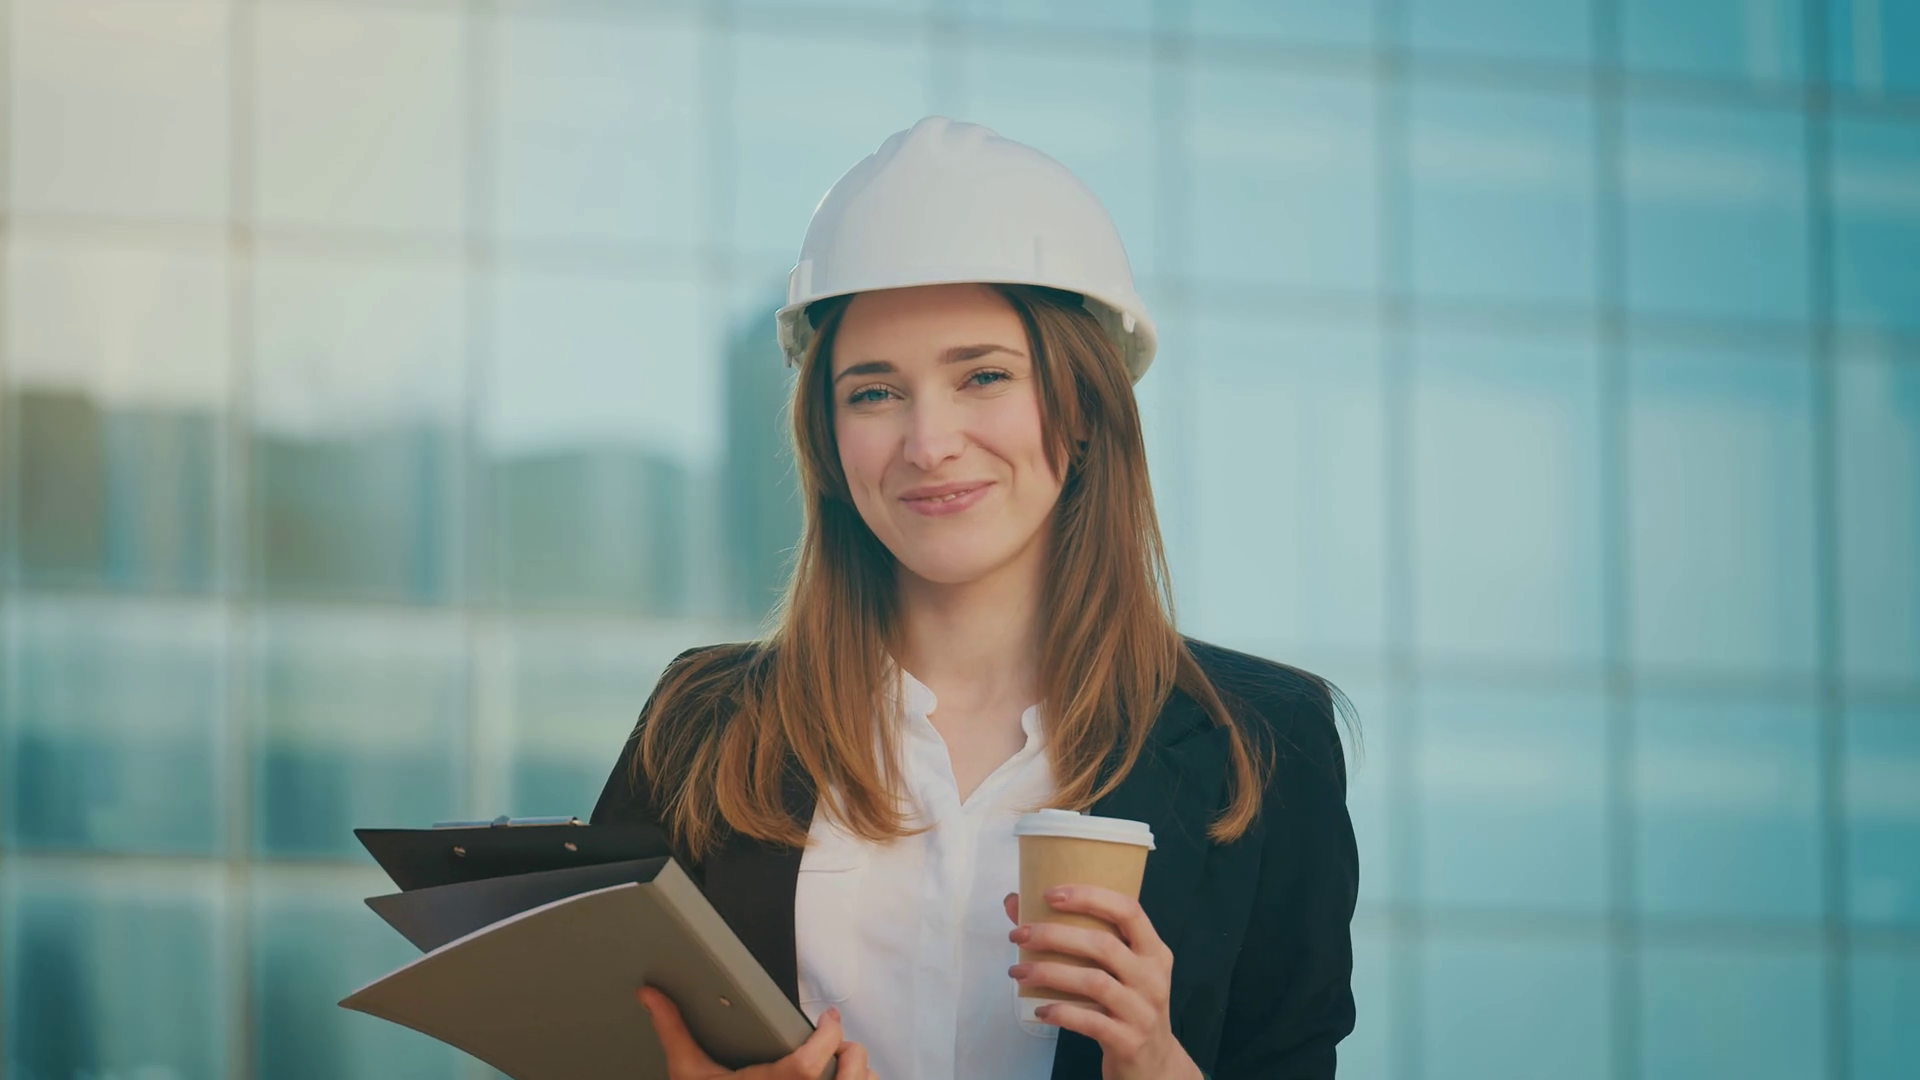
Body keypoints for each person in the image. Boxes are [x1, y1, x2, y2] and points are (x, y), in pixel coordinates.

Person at [592, 116, 1357, 1080]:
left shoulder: (1264, 744)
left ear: (1083, 406)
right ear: (827, 438)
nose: (929, 444)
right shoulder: (703, 724)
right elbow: (576, 1040)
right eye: (874, 393)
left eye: (984, 376)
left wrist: (1158, 1064)